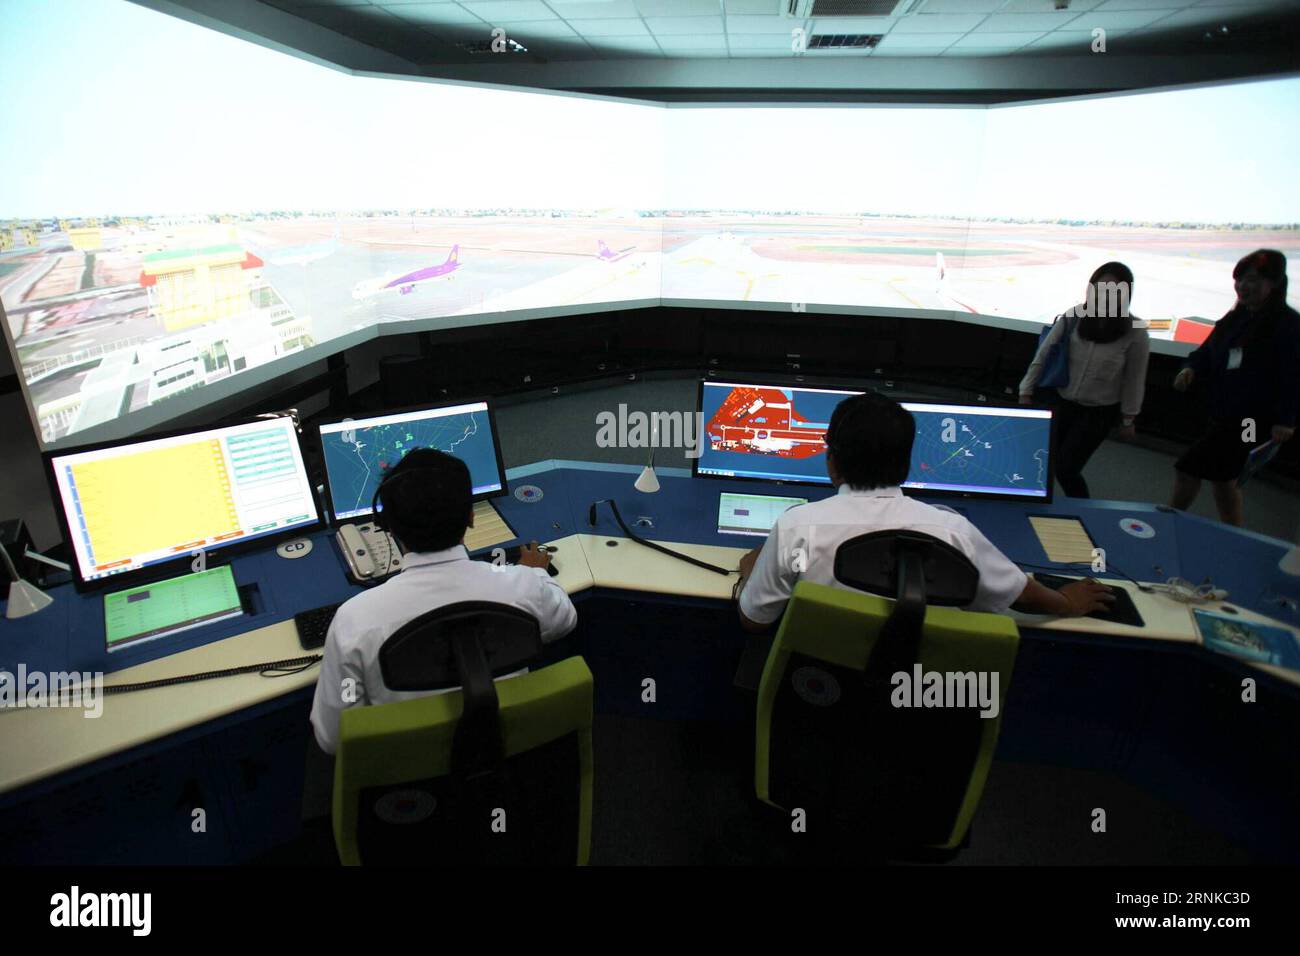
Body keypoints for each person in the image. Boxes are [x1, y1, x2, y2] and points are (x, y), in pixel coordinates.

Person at [735, 391, 1114, 631]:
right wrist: (1067, 603)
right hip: (919, 695)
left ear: (831, 461)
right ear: (906, 464)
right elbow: (1021, 593)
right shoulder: (952, 530)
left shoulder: (796, 527)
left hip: (820, 690)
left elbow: (754, 620)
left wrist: (752, 569)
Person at [309, 448, 576, 754]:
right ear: (471, 517)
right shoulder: (522, 586)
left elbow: (332, 738)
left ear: (389, 527)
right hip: (509, 753)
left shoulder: (354, 621)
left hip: (406, 770)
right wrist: (535, 574)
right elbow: (565, 621)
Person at [1170, 249, 1300, 526]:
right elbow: (1204, 353)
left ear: (1274, 283)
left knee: (1188, 468)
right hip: (1224, 413)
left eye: (1252, 279)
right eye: (1239, 279)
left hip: (1251, 422)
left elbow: (1293, 375)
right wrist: (1189, 368)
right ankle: (1235, 532)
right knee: (1224, 479)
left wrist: (1286, 419)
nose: (1242, 286)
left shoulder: (1288, 325)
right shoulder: (1235, 319)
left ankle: (1168, 520)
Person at [1018, 262, 1150, 498]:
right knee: (1042, 460)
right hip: (1062, 402)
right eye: (1100, 287)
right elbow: (1043, 355)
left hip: (1098, 413)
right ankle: (1035, 504)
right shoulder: (1074, 316)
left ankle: (1082, 509)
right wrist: (1025, 391)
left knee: (1067, 469)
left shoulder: (1136, 329)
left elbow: (1134, 379)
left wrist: (1129, 418)